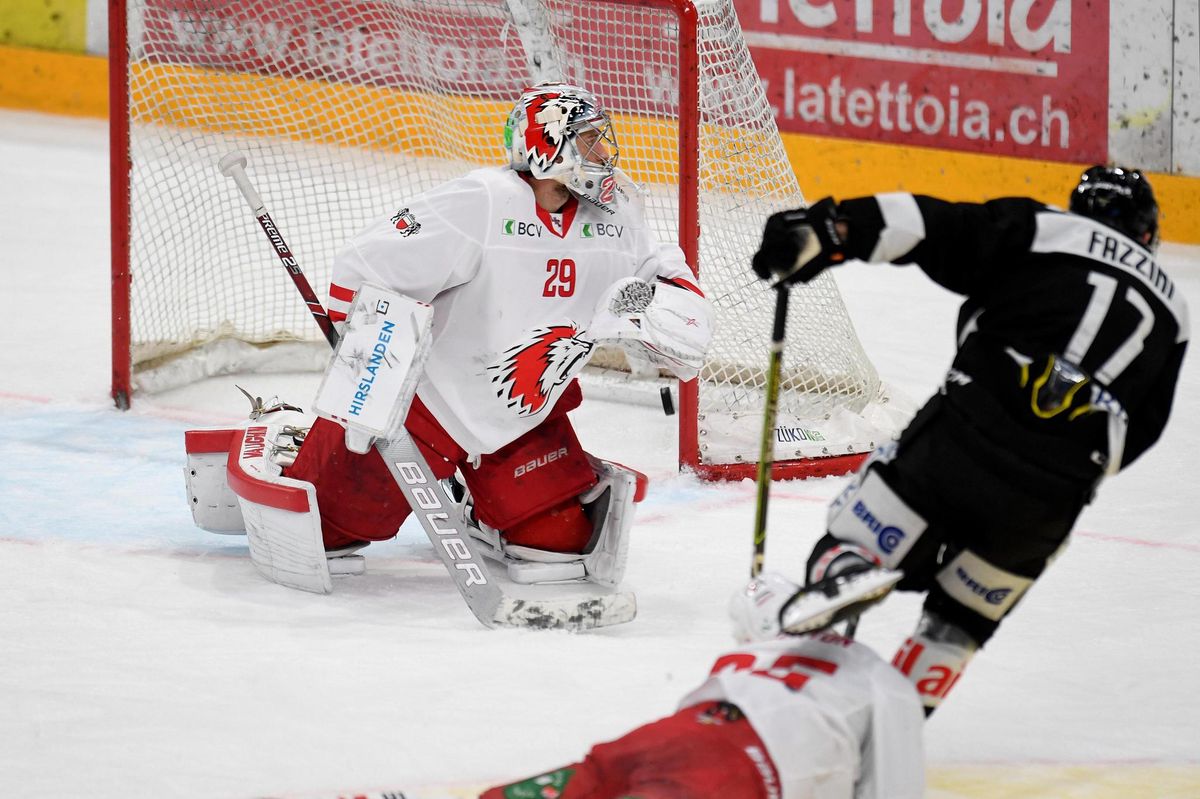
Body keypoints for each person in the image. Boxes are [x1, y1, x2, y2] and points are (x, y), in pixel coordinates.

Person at [186, 83, 714, 594]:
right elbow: (364, 267)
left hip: (522, 415)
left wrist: (668, 316)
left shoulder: (619, 211)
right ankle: (292, 440)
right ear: (547, 147)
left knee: (559, 544)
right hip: (423, 406)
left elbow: (662, 272)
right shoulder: (482, 202)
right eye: (588, 139)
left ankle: (472, 496)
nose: (605, 152)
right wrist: (366, 380)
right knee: (326, 532)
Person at [732, 166, 1188, 714]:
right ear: (1146, 232)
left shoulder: (1048, 229)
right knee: (961, 623)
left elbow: (930, 224)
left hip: (967, 436)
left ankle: (850, 570)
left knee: (853, 536)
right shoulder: (1174, 313)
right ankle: (895, 721)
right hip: (1052, 498)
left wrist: (831, 231)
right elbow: (1147, 428)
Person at [480, 631, 925, 799]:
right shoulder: (887, 690)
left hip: (681, 734)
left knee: (591, 778)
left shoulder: (758, 651)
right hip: (741, 766)